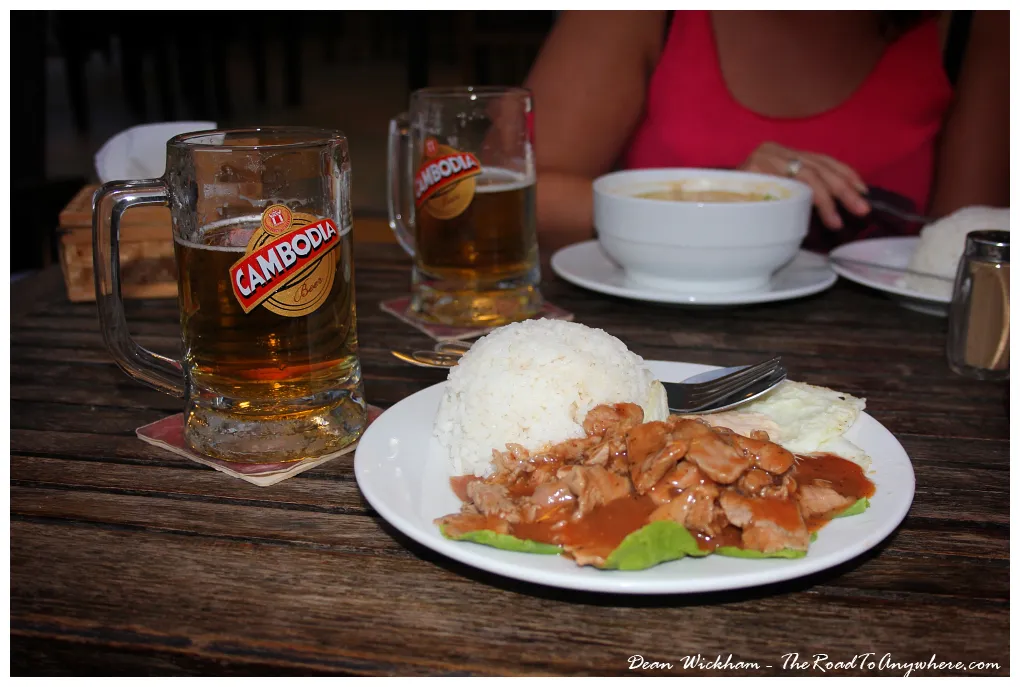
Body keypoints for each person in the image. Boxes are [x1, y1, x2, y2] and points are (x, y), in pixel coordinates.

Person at [525, 11, 1008, 251]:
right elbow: (519, 195)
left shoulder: (981, 24)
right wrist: (720, 197)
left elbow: (971, 247)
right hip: (655, 326)